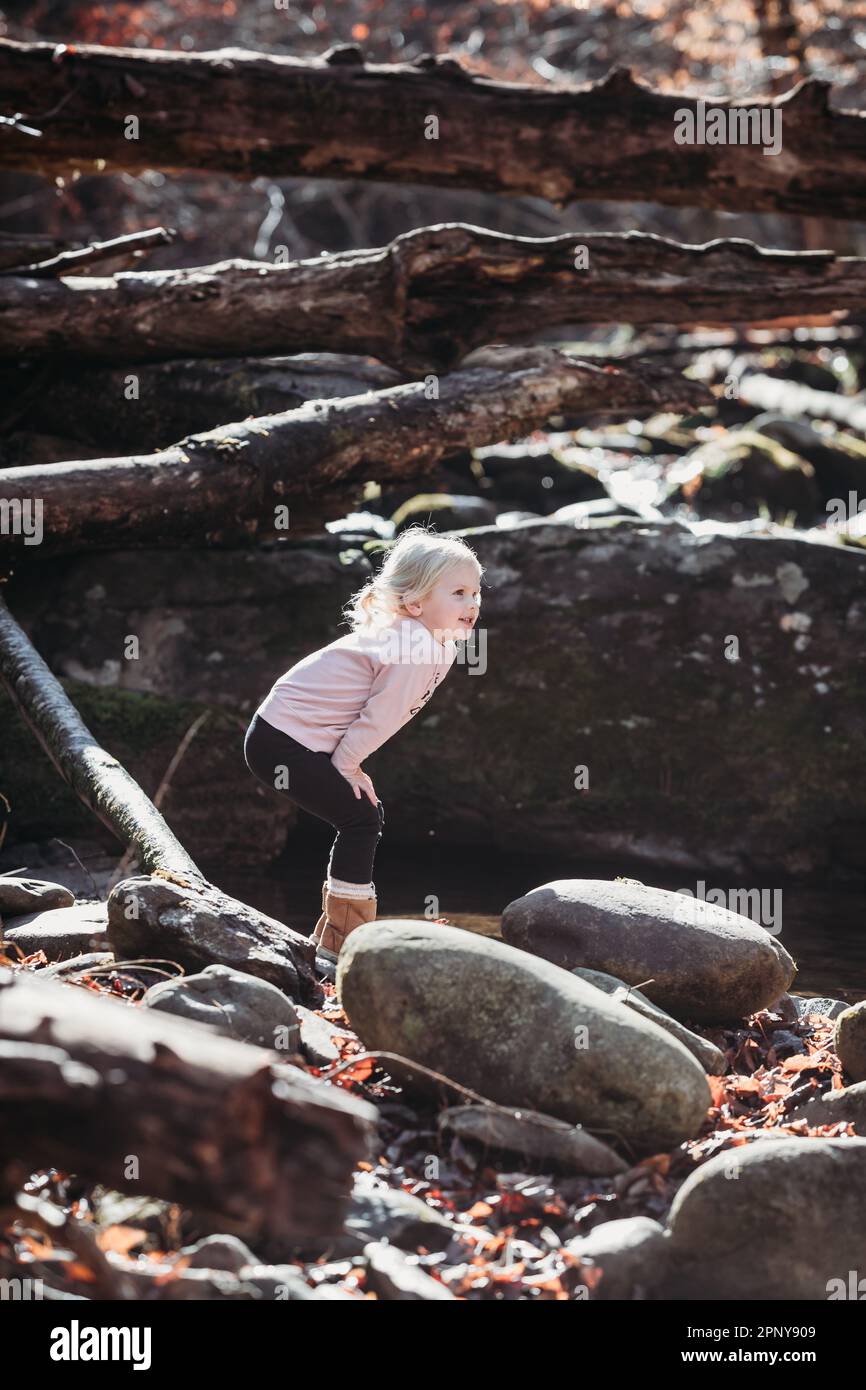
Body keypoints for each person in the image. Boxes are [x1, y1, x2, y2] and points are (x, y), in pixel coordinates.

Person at [243, 525, 483, 964]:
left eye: (476, 592)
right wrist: (349, 765)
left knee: (363, 816)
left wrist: (347, 764)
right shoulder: (416, 645)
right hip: (282, 741)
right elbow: (380, 717)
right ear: (415, 602)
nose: (472, 604)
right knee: (360, 819)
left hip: (289, 735)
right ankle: (343, 943)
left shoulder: (433, 643)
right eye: (459, 593)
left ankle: (335, 938)